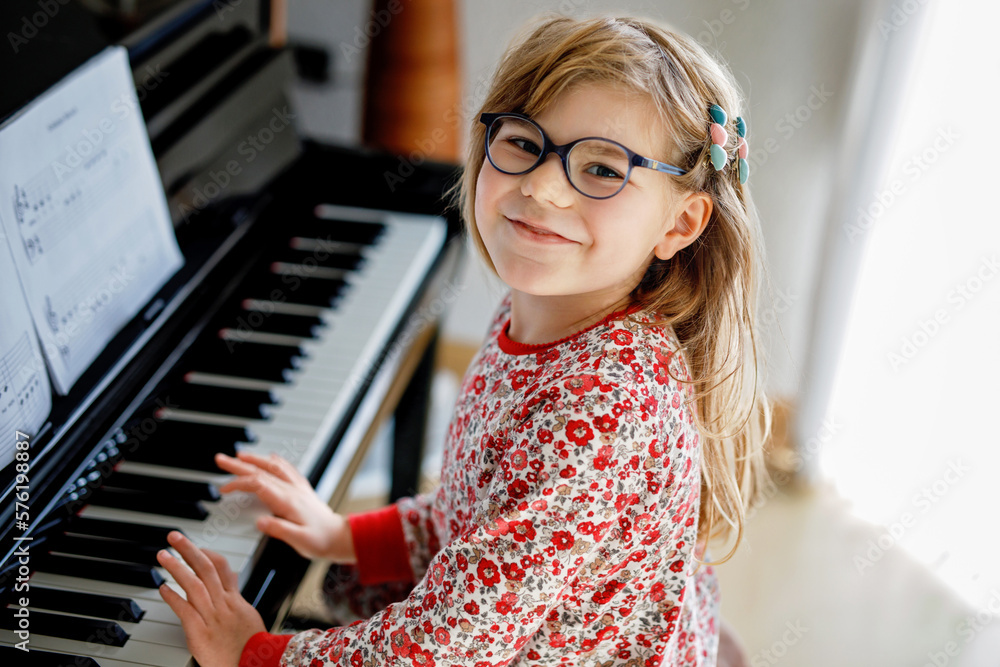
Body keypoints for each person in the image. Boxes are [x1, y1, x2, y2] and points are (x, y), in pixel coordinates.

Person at [155, 13, 774, 667]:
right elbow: (475, 512)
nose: (540, 186)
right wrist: (344, 536)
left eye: (600, 169)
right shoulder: (541, 310)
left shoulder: (605, 402)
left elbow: (451, 642)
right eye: (524, 142)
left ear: (679, 223)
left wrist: (253, 653)